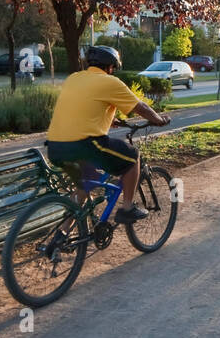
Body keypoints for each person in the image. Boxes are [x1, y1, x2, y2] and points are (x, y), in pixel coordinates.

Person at [45, 45, 169, 223]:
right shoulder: (109, 82)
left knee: (87, 180)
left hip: (55, 146)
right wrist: (158, 119)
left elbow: (80, 106)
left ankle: (62, 235)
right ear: (111, 67)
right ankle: (127, 208)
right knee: (133, 157)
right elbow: (140, 107)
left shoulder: (74, 78)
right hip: (84, 145)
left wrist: (110, 119)